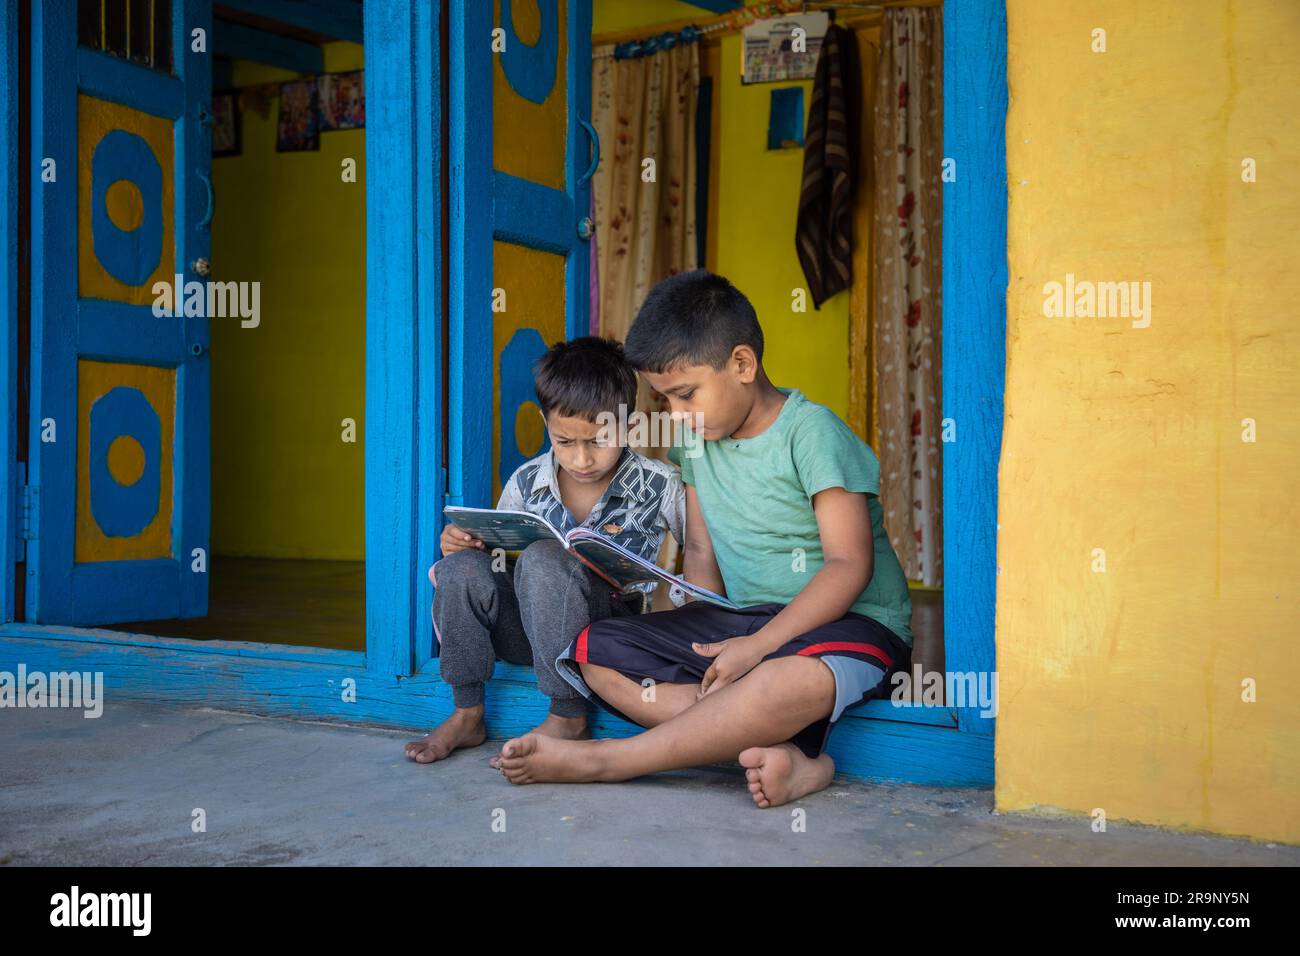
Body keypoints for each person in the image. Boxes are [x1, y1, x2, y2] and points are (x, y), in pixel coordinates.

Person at [496, 271, 914, 808]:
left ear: (742, 364)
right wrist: (699, 627)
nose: (675, 414)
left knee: (786, 680)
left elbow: (848, 565)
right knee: (591, 652)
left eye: (685, 394)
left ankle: (611, 761)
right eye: (665, 399)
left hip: (851, 626)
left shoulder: (812, 434)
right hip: (745, 621)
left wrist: (757, 648)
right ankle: (793, 753)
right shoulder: (695, 444)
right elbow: (699, 553)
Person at [405, 337, 685, 765]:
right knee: (461, 567)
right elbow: (497, 556)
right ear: (545, 422)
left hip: (606, 635)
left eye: (598, 440)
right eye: (565, 441)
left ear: (630, 424)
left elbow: (702, 554)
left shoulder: (660, 483)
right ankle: (467, 711)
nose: (582, 458)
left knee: (544, 557)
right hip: (532, 632)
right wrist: (465, 544)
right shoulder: (526, 481)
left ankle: (568, 715)